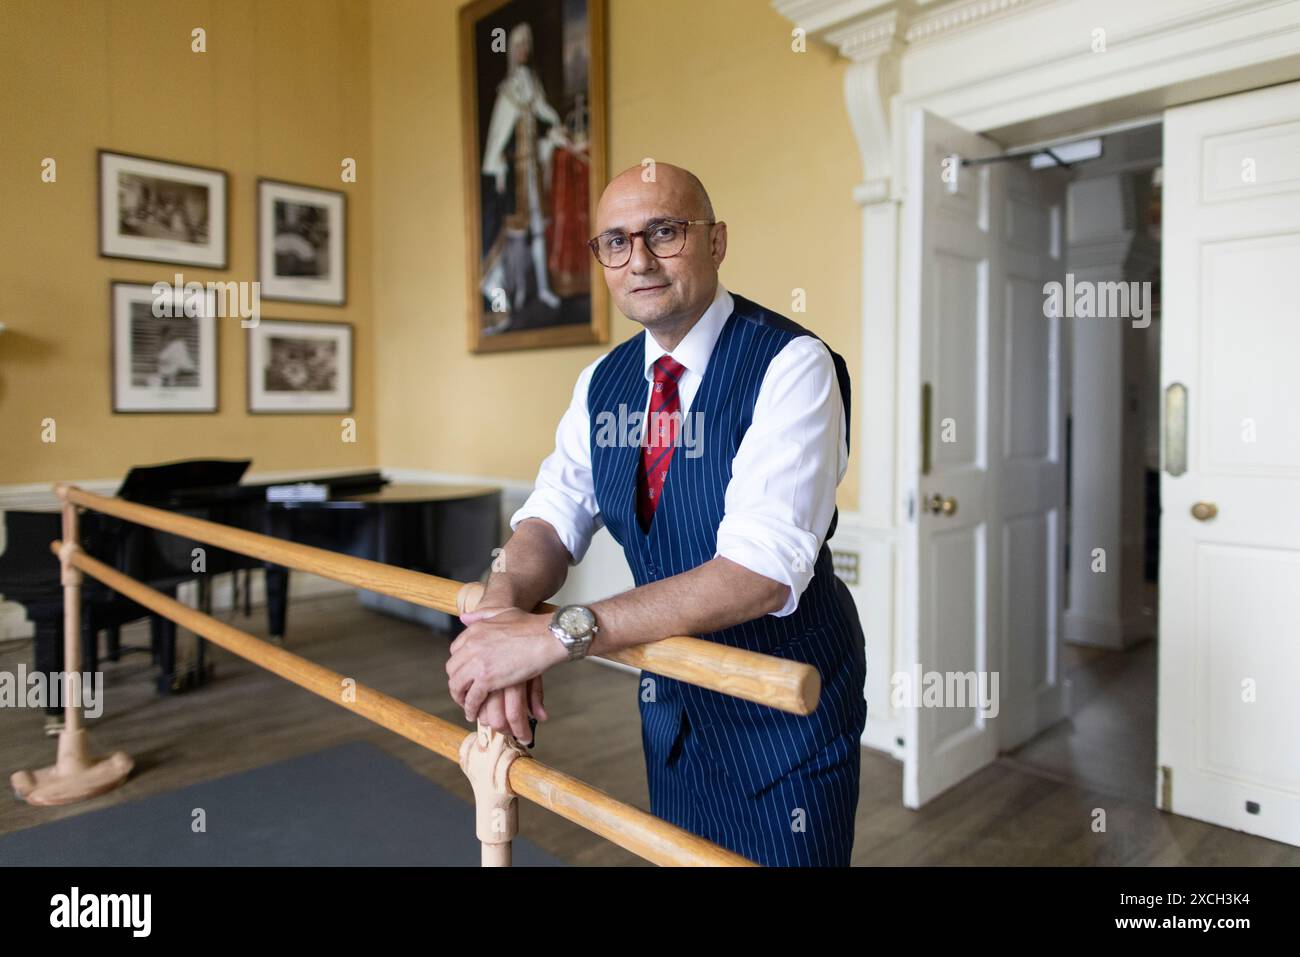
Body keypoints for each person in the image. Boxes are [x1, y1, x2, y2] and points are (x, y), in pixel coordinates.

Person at [446, 163, 867, 866]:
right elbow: (551, 519)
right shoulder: (602, 381)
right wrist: (498, 613)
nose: (637, 259)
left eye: (663, 232)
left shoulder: (792, 364)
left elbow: (760, 570)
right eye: (614, 241)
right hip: (673, 706)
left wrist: (549, 636)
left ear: (716, 241)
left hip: (786, 715)